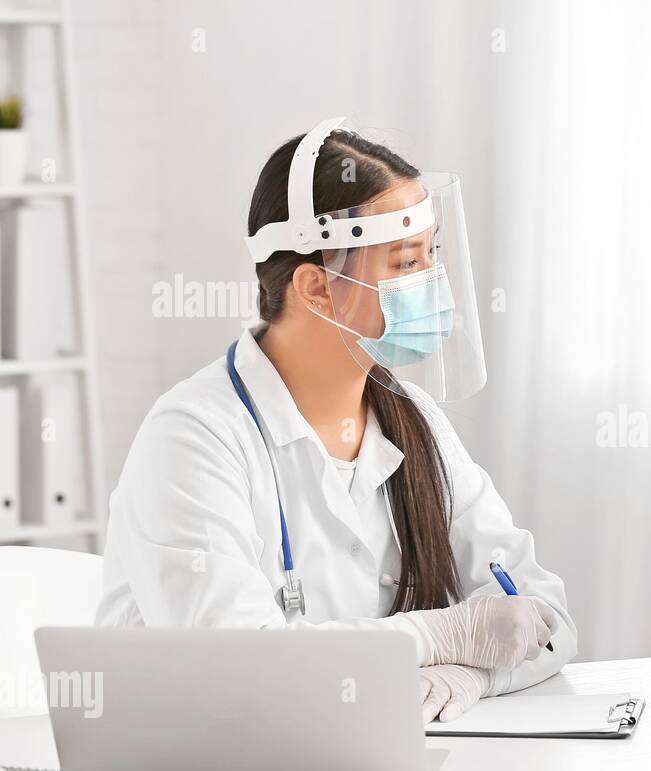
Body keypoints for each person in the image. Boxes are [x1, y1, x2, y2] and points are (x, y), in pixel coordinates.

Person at [98, 117, 576, 722]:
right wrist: (443, 638)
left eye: (433, 257)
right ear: (317, 288)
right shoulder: (192, 437)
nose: (433, 284)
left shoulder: (414, 423)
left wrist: (469, 676)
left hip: (359, 768)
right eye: (406, 264)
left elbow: (545, 617)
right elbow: (233, 668)